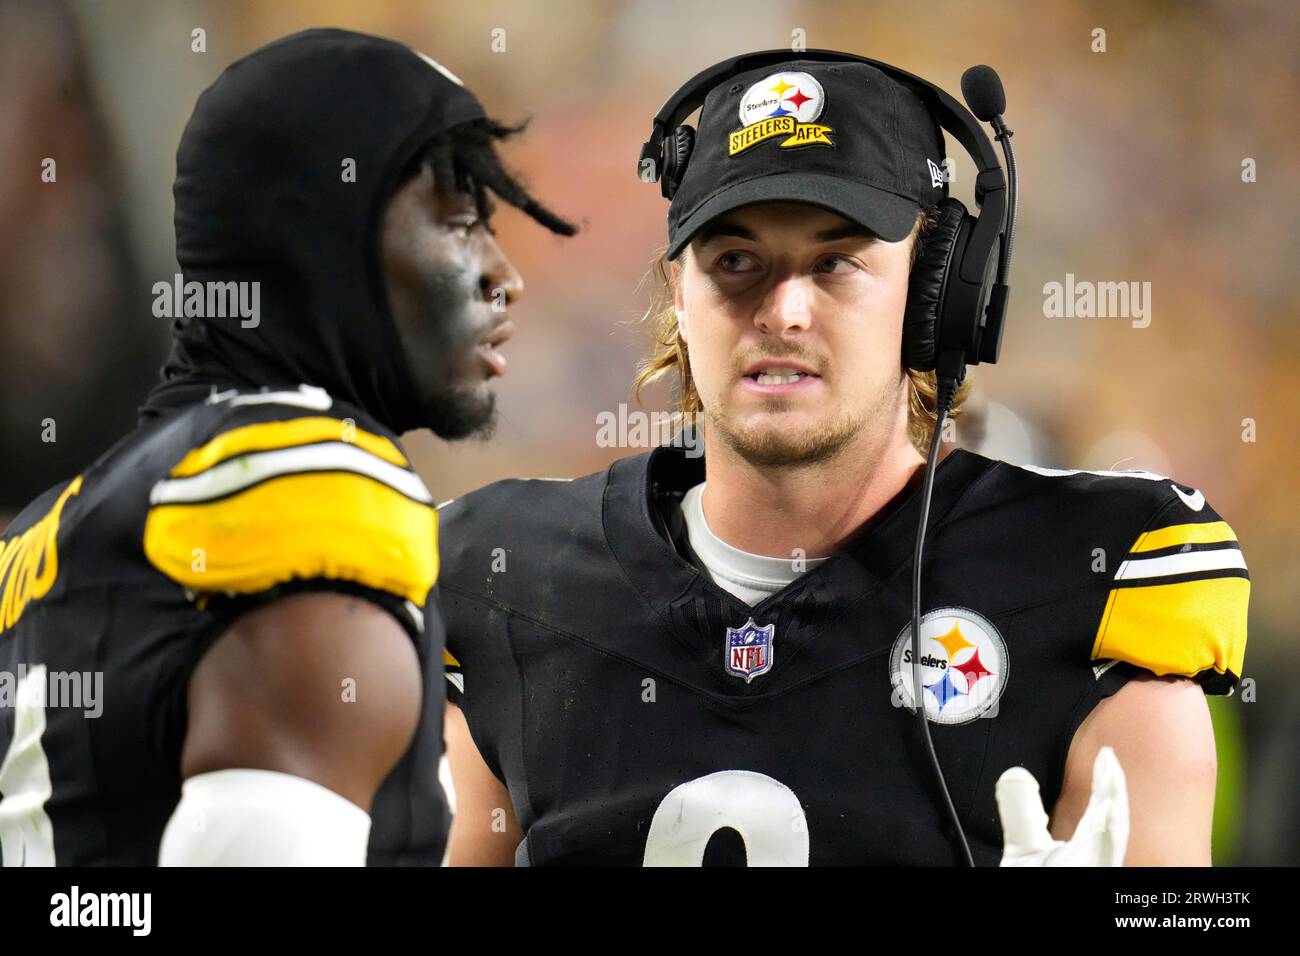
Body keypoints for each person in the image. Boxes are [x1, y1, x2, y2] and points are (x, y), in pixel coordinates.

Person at [437, 53, 1248, 866]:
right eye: (735, 262)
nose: (784, 311)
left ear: (937, 299)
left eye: (836, 262)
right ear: (679, 295)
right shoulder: (508, 584)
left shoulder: (1093, 578)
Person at [0, 27, 573, 866]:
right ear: (325, 241)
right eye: (458, 220)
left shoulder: (48, 529)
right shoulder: (308, 493)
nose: (502, 273)